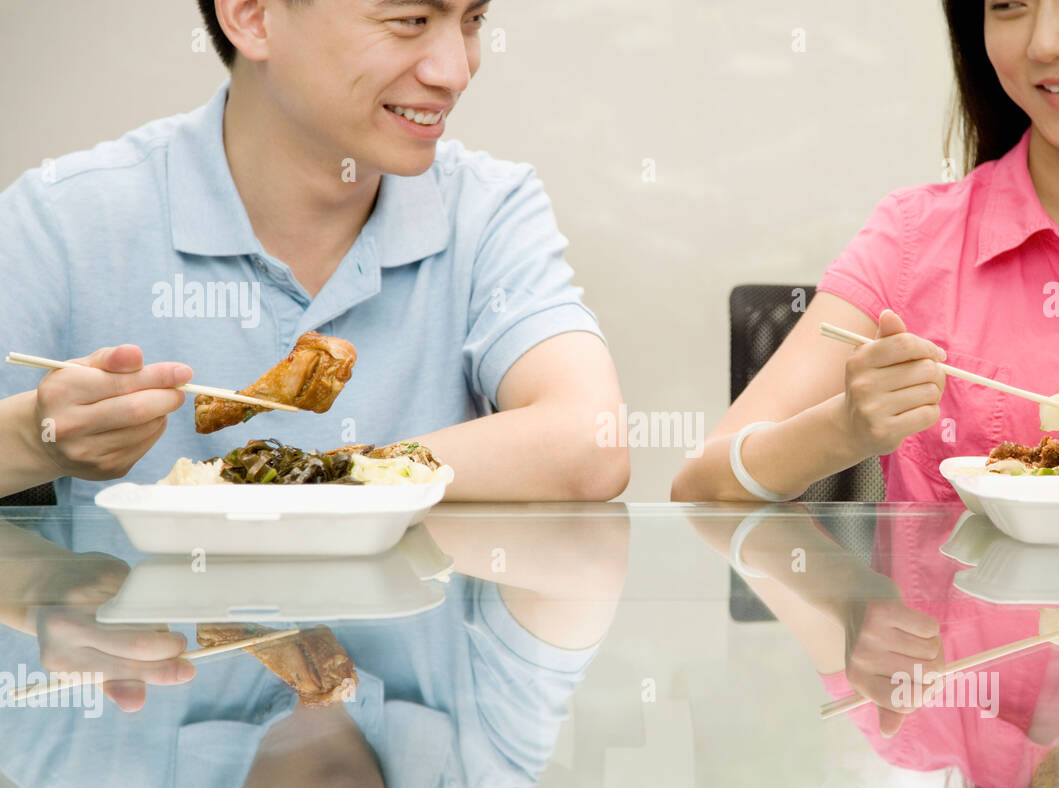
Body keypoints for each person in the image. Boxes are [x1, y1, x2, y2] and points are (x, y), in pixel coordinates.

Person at [0, 0, 628, 505]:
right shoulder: (64, 215)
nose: (454, 73)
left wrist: (305, 475)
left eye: (473, 21)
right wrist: (36, 436)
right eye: (410, 20)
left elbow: (589, 442)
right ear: (251, 15)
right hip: (158, 659)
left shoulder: (486, 205)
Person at [673, 0, 1059, 503]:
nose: (1045, 43)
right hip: (963, 662)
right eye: (1007, 5)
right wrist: (844, 431)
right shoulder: (911, 240)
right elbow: (701, 484)